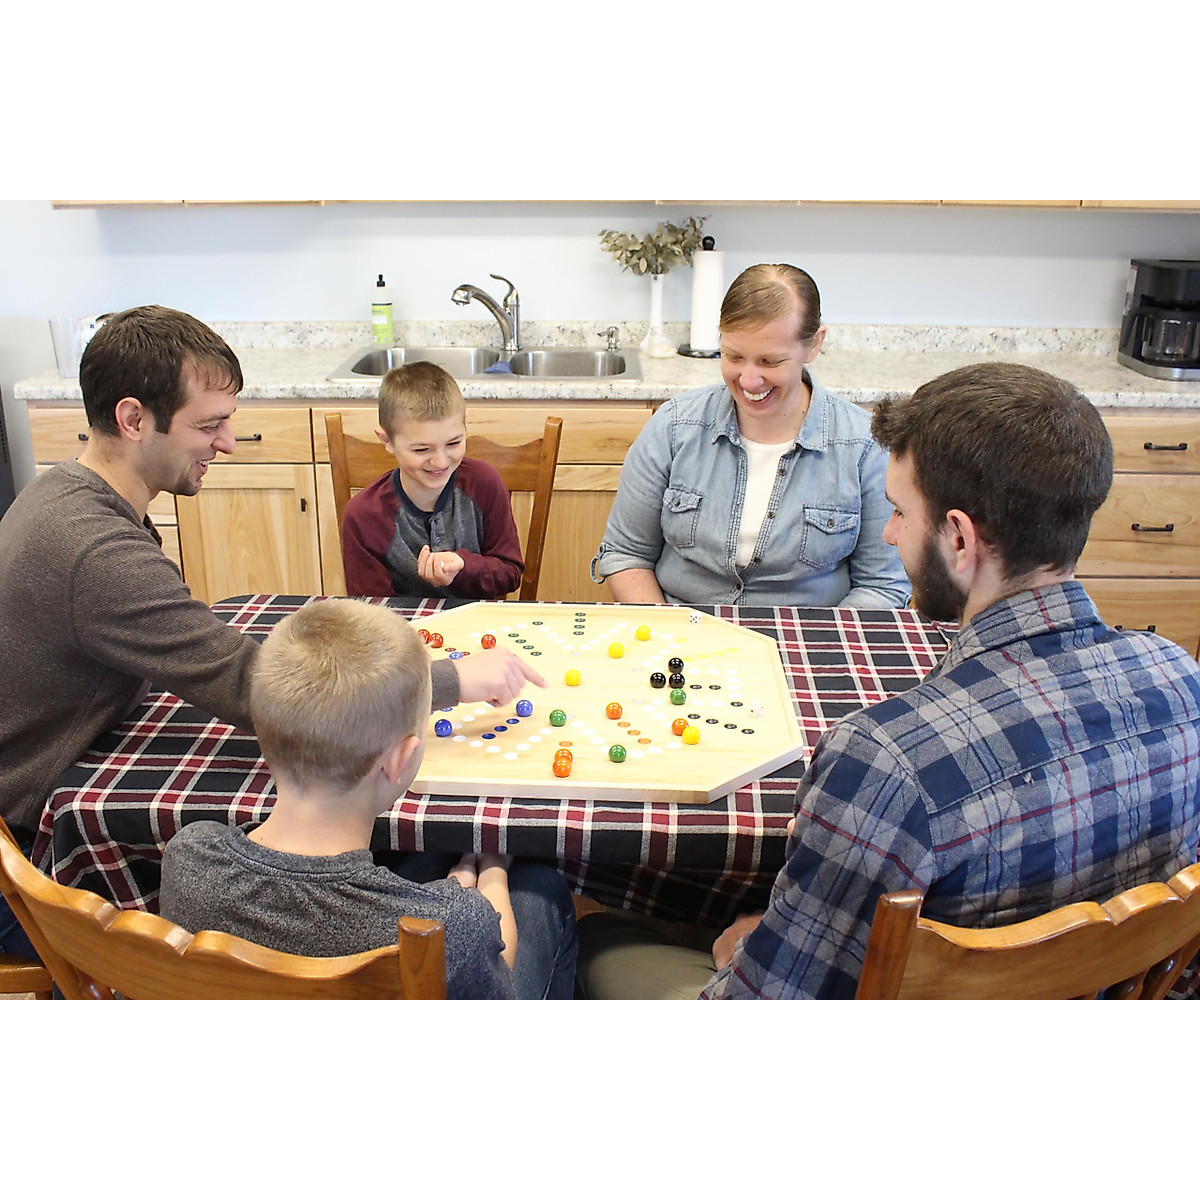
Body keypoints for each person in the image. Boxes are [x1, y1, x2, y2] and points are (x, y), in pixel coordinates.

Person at [576, 361, 1200, 999]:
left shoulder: (885, 760)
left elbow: (759, 1004)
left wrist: (755, 947)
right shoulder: (1183, 681)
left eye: (901, 511)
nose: (888, 532)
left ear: (959, 539)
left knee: (590, 933)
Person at [0, 306, 541, 962]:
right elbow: (253, 686)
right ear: (134, 419)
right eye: (209, 425)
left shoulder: (66, 495)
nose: (228, 443)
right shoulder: (95, 551)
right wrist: (452, 679)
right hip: (31, 859)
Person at [160, 599, 578, 1000]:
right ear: (400, 760)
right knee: (542, 891)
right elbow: (496, 971)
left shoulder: (188, 857)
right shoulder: (452, 925)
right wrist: (492, 872)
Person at [590, 263, 909, 608]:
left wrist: (815, 640)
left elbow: (882, 586)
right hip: (681, 630)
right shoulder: (674, 426)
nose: (749, 381)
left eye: (770, 362)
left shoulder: (865, 447)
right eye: (734, 356)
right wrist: (667, 631)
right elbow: (627, 554)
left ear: (814, 344)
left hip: (808, 635)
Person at [341, 361, 524, 599]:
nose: (440, 462)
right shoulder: (363, 515)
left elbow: (510, 572)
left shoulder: (484, 483)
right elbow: (370, 608)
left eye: (453, 443)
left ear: (465, 424)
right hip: (399, 623)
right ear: (387, 441)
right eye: (421, 449)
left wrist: (463, 567)